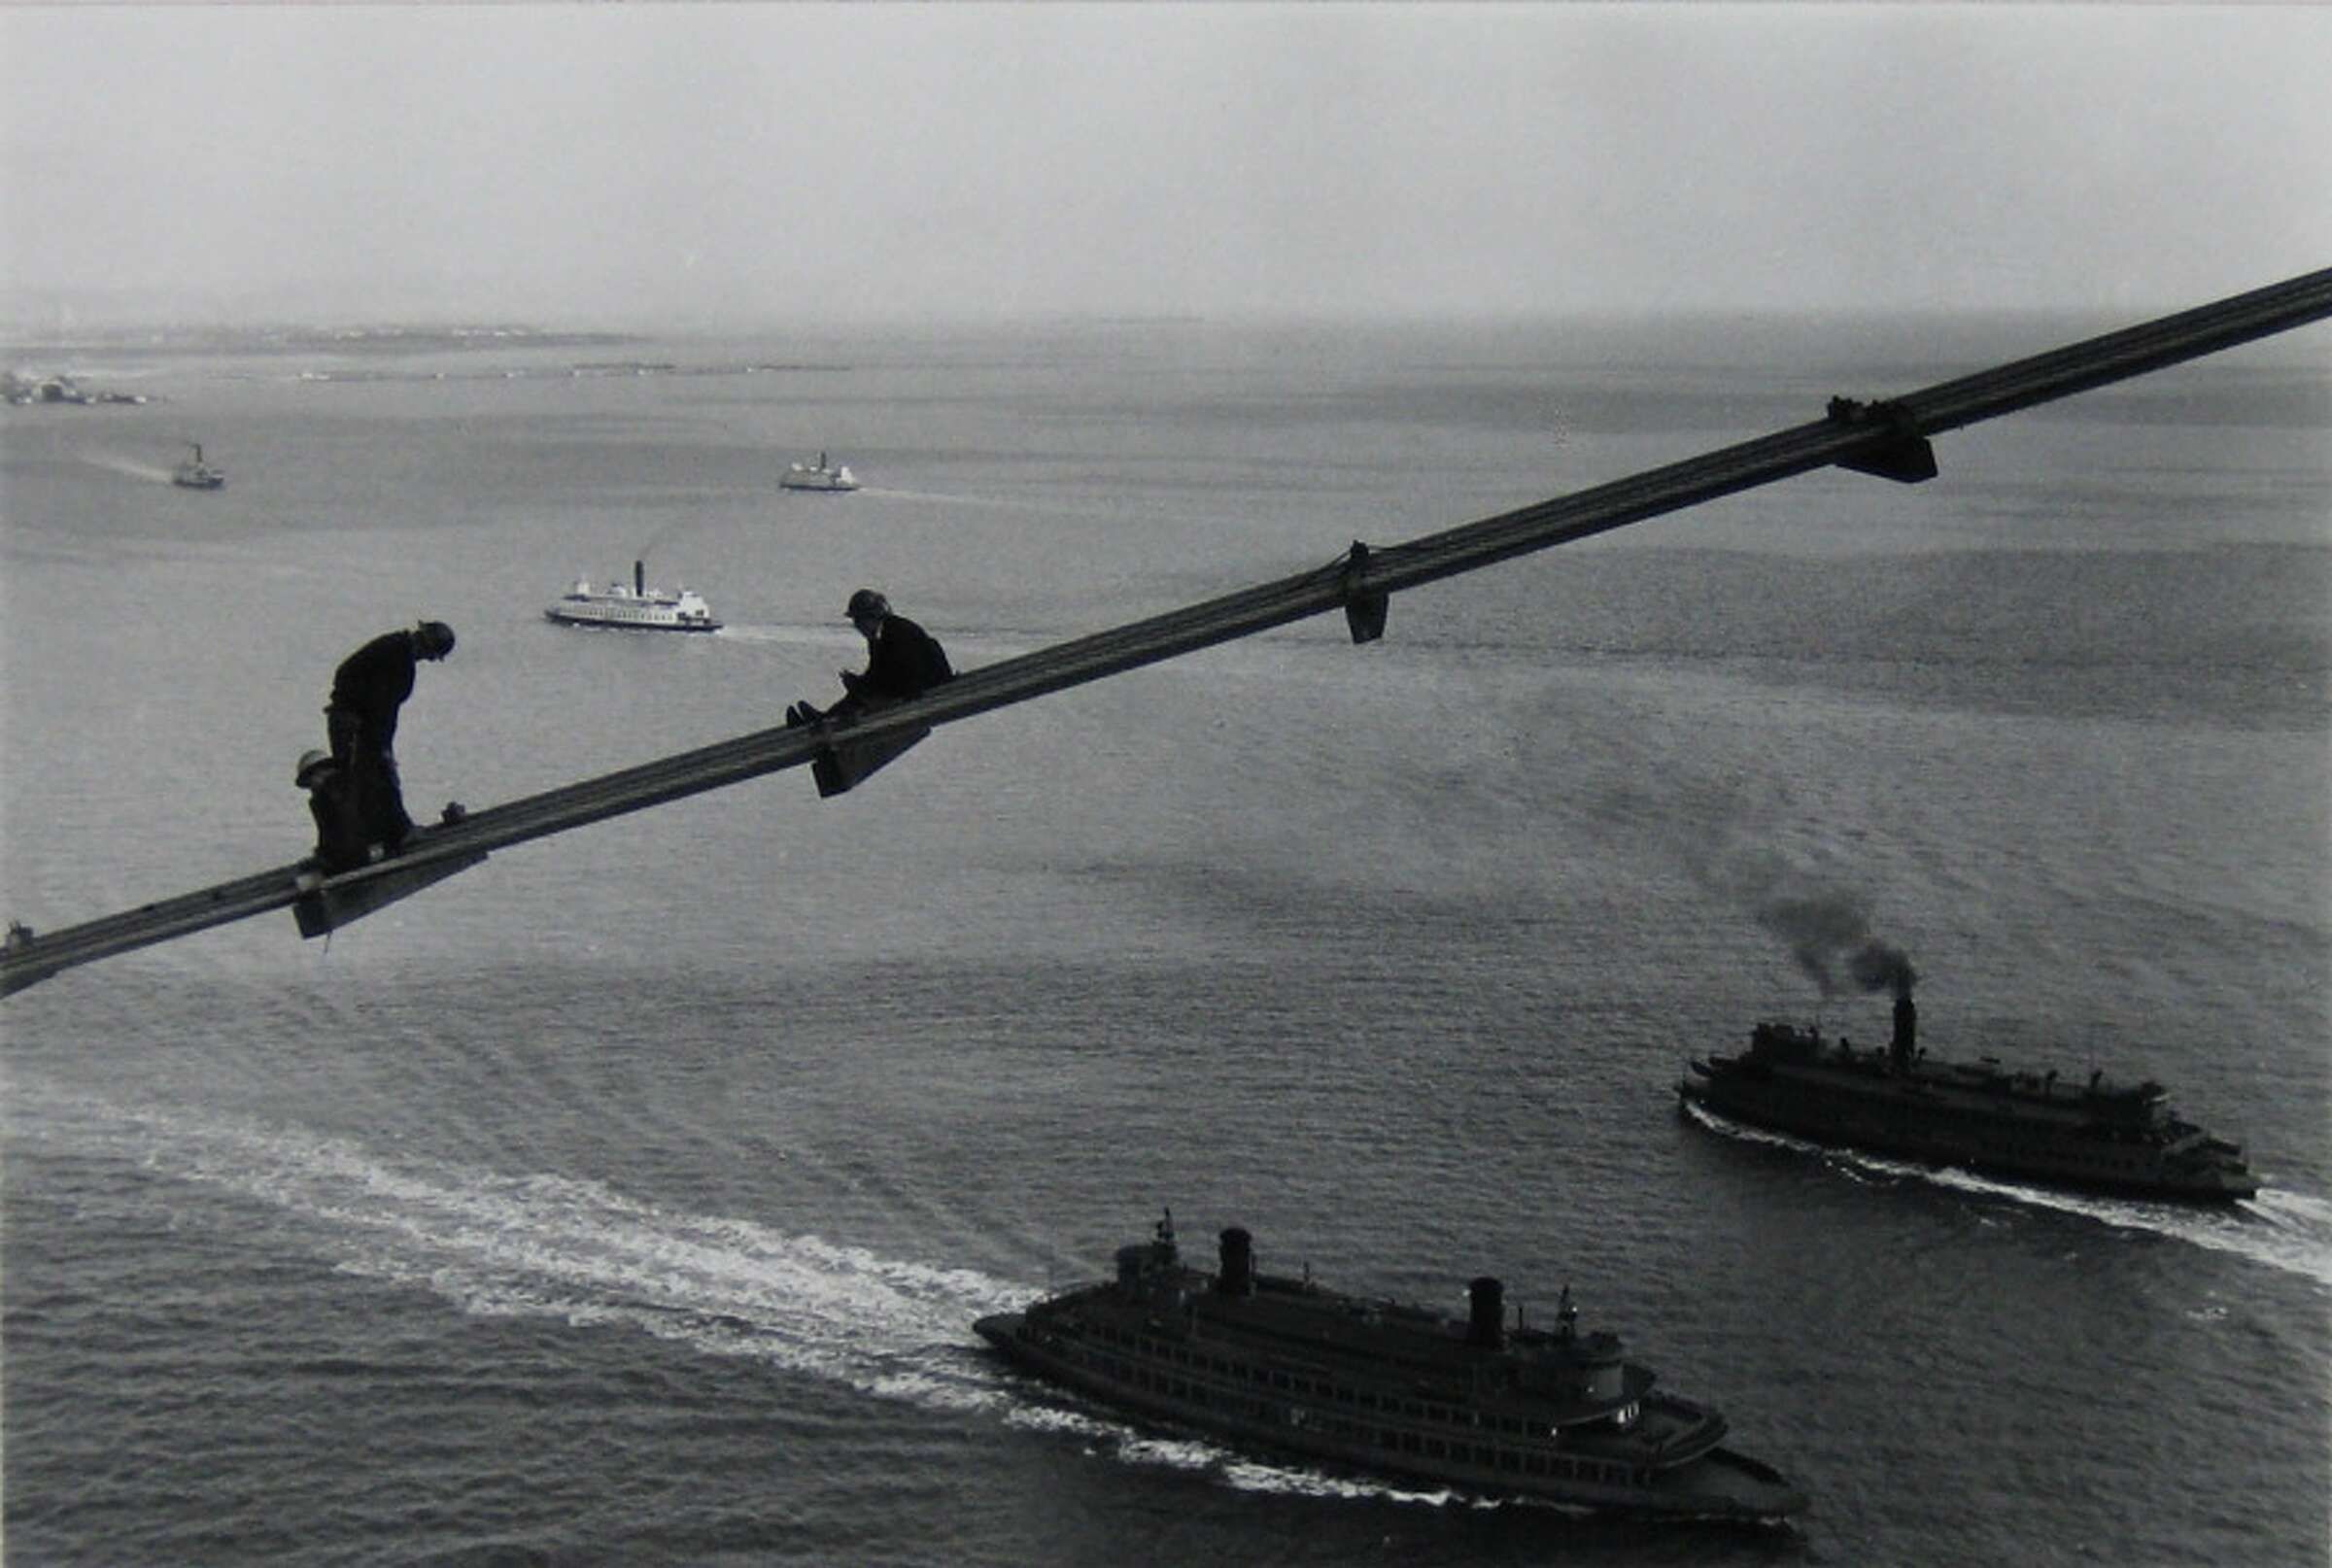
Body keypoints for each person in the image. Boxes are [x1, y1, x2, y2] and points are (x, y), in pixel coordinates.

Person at [324, 619, 455, 854]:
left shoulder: (399, 655)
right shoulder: (394, 652)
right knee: (368, 779)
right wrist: (356, 712)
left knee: (371, 779)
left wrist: (383, 741)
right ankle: (388, 834)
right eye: (430, 654)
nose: (427, 659)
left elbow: (385, 707)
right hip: (353, 725)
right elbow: (366, 691)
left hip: (366, 727)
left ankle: (380, 836)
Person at [786, 590, 950, 727]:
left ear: (873, 616)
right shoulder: (881, 636)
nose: (857, 626)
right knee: (859, 697)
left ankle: (822, 721)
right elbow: (878, 672)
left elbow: (897, 673)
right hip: (910, 687)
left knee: (861, 699)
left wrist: (862, 686)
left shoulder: (896, 632)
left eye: (860, 620)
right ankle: (822, 720)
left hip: (919, 688)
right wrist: (859, 683)